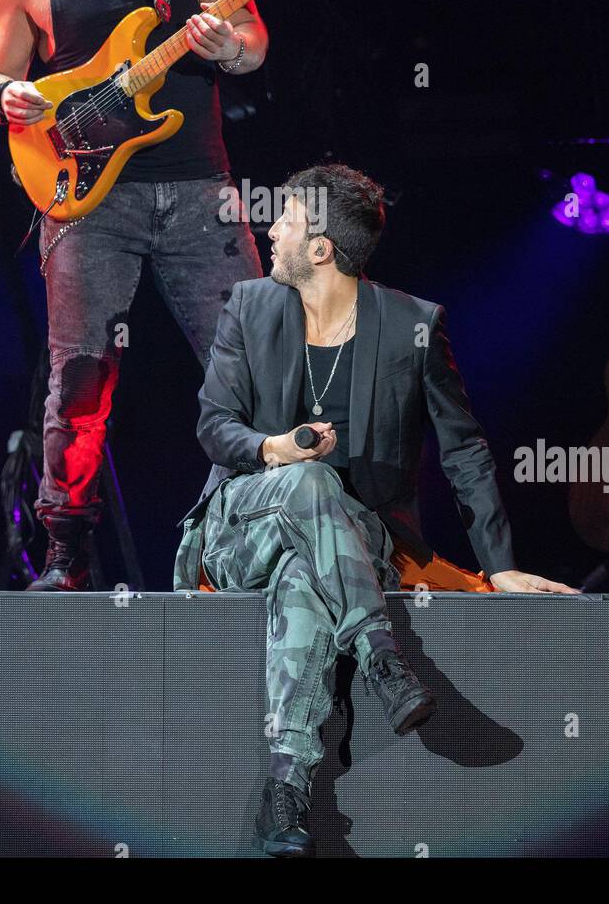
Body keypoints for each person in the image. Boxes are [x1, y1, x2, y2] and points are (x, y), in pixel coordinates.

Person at [173, 163, 579, 857]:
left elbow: (465, 452)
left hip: (347, 547)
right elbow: (214, 428)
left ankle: (286, 786)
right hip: (236, 531)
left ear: (322, 246)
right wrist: (275, 447)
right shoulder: (247, 306)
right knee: (309, 485)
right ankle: (382, 656)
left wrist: (500, 566)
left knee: (307, 572)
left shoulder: (415, 327)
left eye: (288, 218)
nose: (271, 229)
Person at [0, 0, 266, 588]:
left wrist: (227, 46)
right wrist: (9, 96)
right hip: (86, 200)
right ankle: (68, 554)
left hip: (199, 188)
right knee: (78, 381)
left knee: (253, 367)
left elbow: (253, 41)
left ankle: (257, 539)